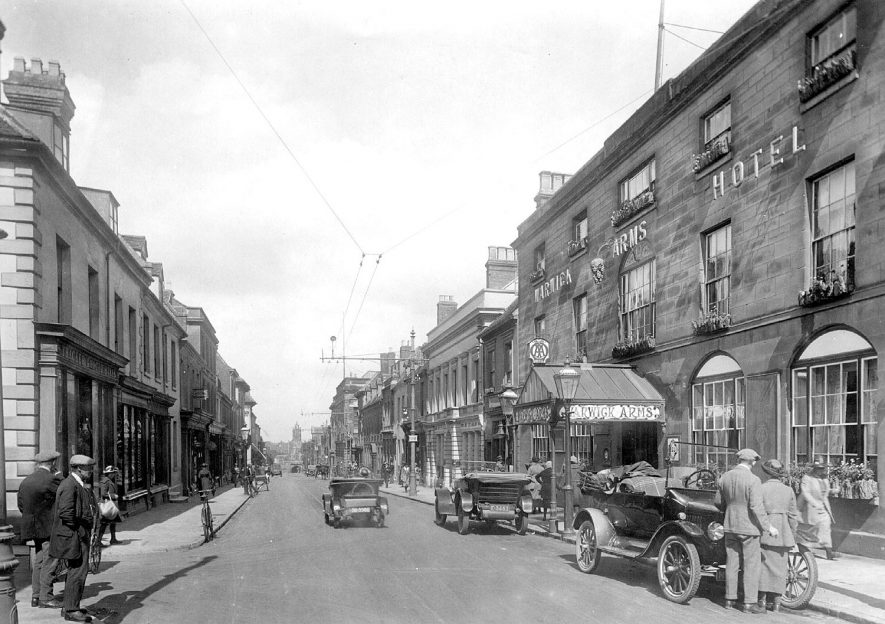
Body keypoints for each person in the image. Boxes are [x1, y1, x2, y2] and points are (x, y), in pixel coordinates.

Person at [717, 448, 777, 614]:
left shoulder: (724, 477)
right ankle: (749, 603)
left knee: (732, 563)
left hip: (730, 526)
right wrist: (768, 527)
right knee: (751, 565)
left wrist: (729, 509)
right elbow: (756, 506)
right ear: (752, 462)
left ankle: (729, 599)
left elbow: (717, 502)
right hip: (749, 529)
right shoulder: (753, 480)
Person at [49, 454, 98, 622]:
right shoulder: (70, 485)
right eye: (88, 469)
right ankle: (71, 609)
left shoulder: (76, 484)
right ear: (78, 469)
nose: (90, 471)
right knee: (78, 572)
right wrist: (81, 532)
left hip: (75, 536)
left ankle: (70, 606)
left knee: (75, 572)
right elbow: (66, 513)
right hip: (74, 537)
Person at [17, 449, 64, 609]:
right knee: (50, 560)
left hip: (33, 527)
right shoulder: (52, 479)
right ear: (52, 463)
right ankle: (46, 597)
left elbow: (21, 505)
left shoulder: (26, 481)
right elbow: (65, 493)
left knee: (39, 560)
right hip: (48, 527)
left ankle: (36, 596)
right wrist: (59, 476)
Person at [758, 459, 800, 612]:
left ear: (767, 473)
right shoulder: (788, 491)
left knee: (763, 566)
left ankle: (761, 601)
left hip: (766, 531)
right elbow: (793, 516)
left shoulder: (761, 489)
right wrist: (792, 536)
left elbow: (758, 511)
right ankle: (776, 604)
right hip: (783, 533)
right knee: (780, 568)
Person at [799, 461, 836, 559]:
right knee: (818, 527)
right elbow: (805, 492)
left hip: (824, 507)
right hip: (811, 506)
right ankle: (805, 547)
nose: (821, 470)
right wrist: (814, 503)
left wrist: (833, 491)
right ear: (814, 468)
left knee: (826, 526)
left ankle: (829, 552)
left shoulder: (824, 478)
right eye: (819, 468)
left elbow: (825, 492)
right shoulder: (807, 478)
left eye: (822, 468)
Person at [98, 466, 122, 547]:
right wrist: (113, 496)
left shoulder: (109, 481)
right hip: (107, 504)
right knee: (104, 523)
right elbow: (103, 493)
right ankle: (98, 540)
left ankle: (113, 539)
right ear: (109, 474)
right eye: (112, 473)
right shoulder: (105, 481)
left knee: (113, 522)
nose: (114, 475)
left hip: (111, 505)